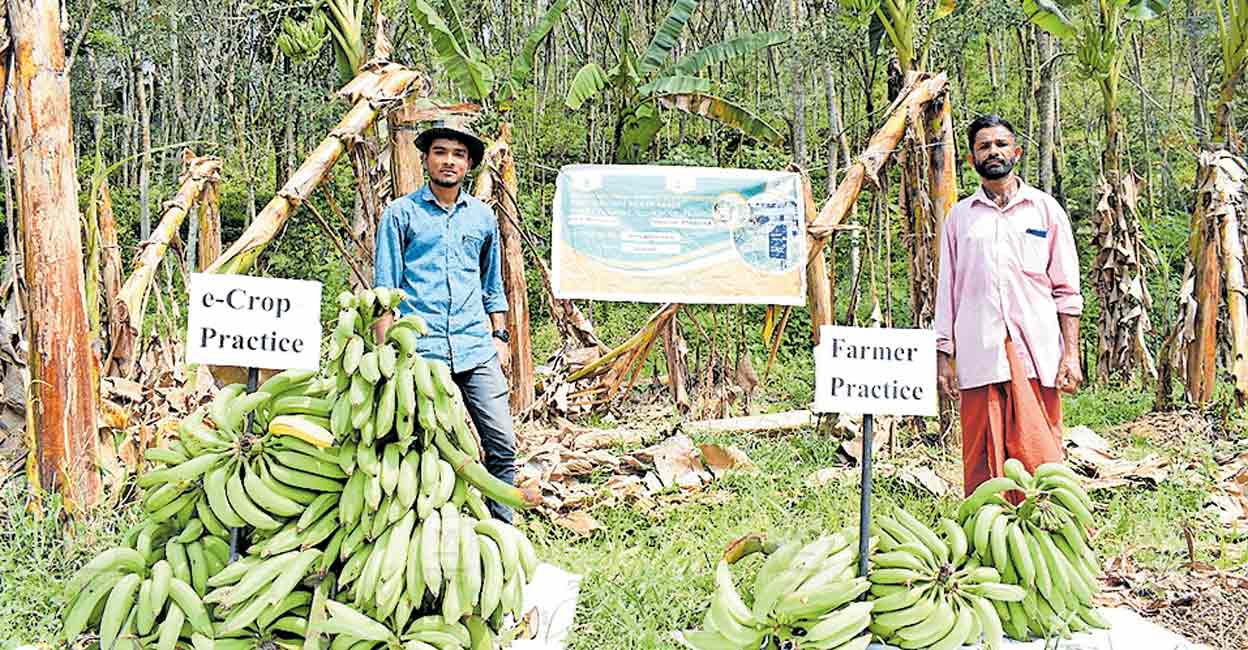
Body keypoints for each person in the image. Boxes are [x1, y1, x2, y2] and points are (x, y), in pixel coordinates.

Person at [372, 119, 517, 522]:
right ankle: (429, 527)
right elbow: (385, 290)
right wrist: (386, 359)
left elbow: (492, 283)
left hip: (475, 345)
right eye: (440, 152)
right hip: (422, 352)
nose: (448, 161)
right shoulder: (399, 216)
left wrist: (500, 335)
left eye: (458, 154)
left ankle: (501, 526)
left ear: (469, 164)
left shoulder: (482, 218)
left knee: (501, 442)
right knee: (424, 446)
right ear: (425, 159)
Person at [933, 114, 1084, 496]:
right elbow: (947, 291)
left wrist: (1071, 354)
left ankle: (1050, 535)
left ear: (1016, 152)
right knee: (984, 458)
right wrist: (943, 357)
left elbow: (1067, 290)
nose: (993, 152)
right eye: (984, 146)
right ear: (971, 160)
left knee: (1040, 453)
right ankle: (988, 537)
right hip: (979, 352)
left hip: (1034, 352)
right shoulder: (959, 218)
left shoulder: (1045, 211)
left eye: (1000, 144)